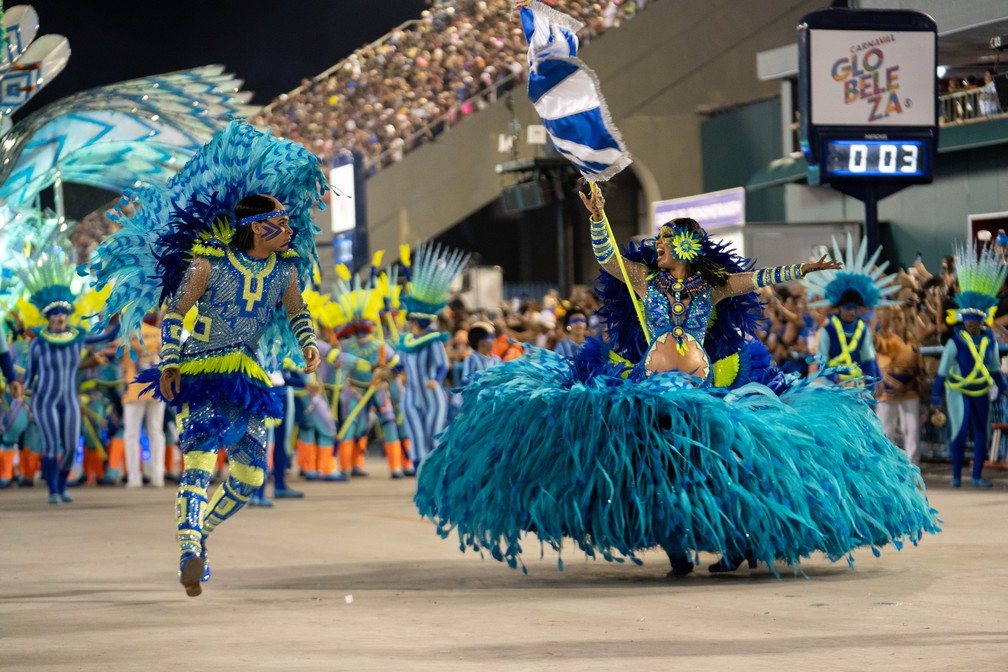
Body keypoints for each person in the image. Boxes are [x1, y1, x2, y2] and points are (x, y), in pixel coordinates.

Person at [415, 184, 938, 580]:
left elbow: (760, 278)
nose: (656, 247)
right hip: (650, 387)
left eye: (665, 242)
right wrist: (597, 215)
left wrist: (806, 266)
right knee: (655, 465)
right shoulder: (645, 279)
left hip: (706, 387)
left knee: (725, 462)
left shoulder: (713, 284)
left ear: (686, 247)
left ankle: (738, 540)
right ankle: (677, 545)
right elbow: (608, 259)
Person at [84, 121, 327, 597]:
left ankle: (201, 538)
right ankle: (188, 548)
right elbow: (173, 312)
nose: (290, 227)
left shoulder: (286, 271)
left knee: (250, 475)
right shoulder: (206, 264)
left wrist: (309, 343)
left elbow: (299, 312)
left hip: (249, 376)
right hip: (203, 369)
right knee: (198, 461)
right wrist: (171, 362)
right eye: (280, 221)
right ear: (257, 227)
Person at [21, 260, 118, 504]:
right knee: (52, 445)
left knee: (71, 445)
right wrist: (25, 400)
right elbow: (30, 375)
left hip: (69, 398)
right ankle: (53, 490)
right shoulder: (38, 343)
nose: (60, 317)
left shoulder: (77, 337)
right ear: (48, 317)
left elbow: (106, 336)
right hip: (44, 401)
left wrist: (122, 312)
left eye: (63, 312)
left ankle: (62, 484)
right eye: (55, 313)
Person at [932, 241, 1008, 488]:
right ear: (964, 319)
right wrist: (935, 397)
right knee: (960, 431)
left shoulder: (988, 340)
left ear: (981, 321)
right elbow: (942, 371)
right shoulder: (955, 341)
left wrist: (1004, 387)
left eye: (975, 321)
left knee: (982, 433)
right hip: (958, 391)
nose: (971, 325)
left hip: (981, 391)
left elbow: (995, 368)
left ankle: (976, 476)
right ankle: (956, 475)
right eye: (968, 321)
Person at [399, 242, 469, 467]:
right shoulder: (407, 341)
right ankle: (421, 475)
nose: (408, 323)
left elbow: (442, 366)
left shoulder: (433, 340)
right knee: (417, 437)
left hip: (432, 396)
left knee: (433, 436)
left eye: (411, 319)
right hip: (411, 396)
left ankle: (433, 473)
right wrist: (388, 372)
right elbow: (400, 365)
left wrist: (435, 380)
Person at [120, 311, 166, 488]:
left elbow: (112, 352)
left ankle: (134, 477)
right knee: (156, 432)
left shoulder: (126, 333)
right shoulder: (159, 333)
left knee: (131, 433)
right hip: (157, 388)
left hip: (134, 389)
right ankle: (158, 476)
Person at [875, 306, 926, 465]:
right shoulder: (884, 338)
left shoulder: (912, 340)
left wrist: (920, 385)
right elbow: (873, 344)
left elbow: (919, 365)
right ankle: (886, 464)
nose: (896, 323)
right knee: (886, 429)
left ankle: (913, 465)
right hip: (887, 390)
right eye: (893, 319)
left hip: (910, 390)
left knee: (911, 428)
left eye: (899, 319)